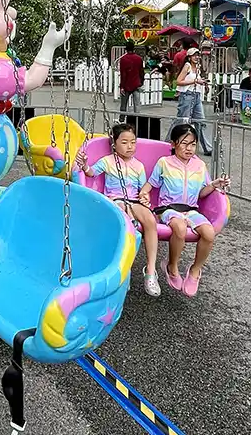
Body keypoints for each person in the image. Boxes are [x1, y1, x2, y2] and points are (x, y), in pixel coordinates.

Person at [138, 123, 230, 296]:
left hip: (191, 210)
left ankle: (195, 270)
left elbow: (202, 193)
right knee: (179, 227)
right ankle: (172, 266)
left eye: (193, 144)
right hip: (168, 208)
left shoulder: (200, 166)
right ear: (173, 144)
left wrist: (214, 185)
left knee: (209, 232)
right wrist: (144, 194)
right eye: (184, 143)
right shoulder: (165, 163)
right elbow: (151, 184)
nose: (189, 149)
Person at [76, 123, 162, 297]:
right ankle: (125, 269)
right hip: (116, 201)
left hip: (133, 200)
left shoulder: (138, 166)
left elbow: (141, 190)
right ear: (114, 144)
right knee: (125, 219)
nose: (129, 146)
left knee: (150, 220)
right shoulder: (107, 161)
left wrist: (144, 198)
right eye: (124, 142)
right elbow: (92, 173)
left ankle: (151, 271)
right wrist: (85, 165)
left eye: (133, 142)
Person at [175, 48, 213, 155]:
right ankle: (171, 143)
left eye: (197, 55)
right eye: (194, 55)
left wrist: (203, 84)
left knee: (200, 121)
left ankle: (207, 147)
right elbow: (179, 81)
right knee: (182, 121)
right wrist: (195, 81)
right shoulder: (187, 66)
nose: (196, 57)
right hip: (187, 95)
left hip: (196, 96)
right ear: (189, 57)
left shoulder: (198, 68)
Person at [117, 41, 145, 117]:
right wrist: (141, 82)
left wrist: (122, 86)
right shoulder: (139, 59)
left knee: (123, 105)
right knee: (137, 104)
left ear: (126, 50)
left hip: (126, 85)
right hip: (136, 84)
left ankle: (121, 120)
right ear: (134, 49)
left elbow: (123, 74)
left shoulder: (123, 59)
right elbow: (141, 72)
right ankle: (137, 119)